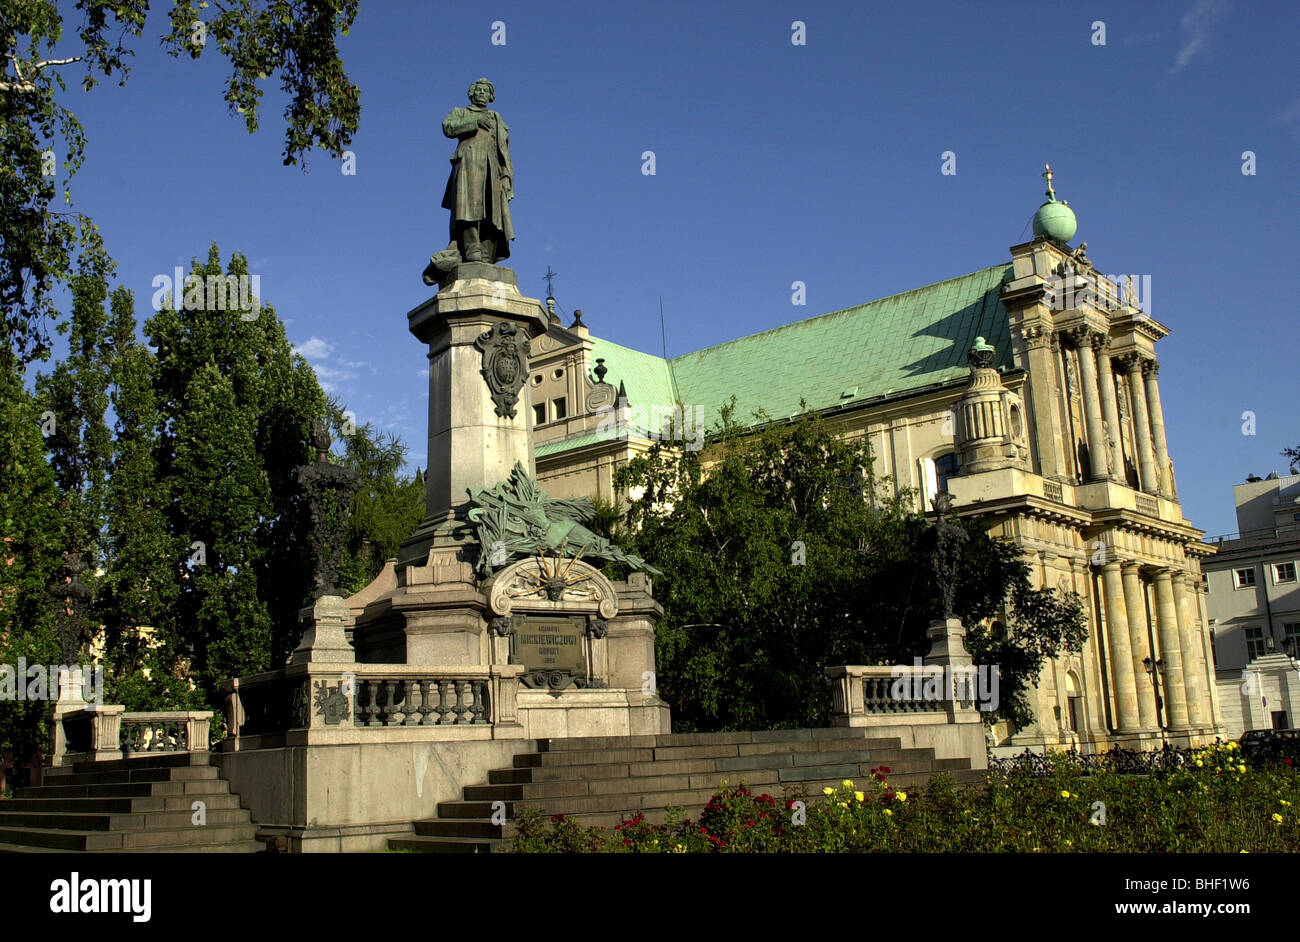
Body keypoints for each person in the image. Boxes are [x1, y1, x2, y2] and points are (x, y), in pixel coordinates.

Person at [441, 78, 514, 264]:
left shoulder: (497, 119)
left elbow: (504, 151)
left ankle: (487, 253)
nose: (482, 93)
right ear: (472, 93)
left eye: (486, 91)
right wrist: (474, 121)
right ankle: (471, 248)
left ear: (491, 97)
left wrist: (506, 175)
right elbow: (448, 128)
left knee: (492, 212)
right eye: (478, 90)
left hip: (492, 168)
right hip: (468, 163)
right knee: (468, 208)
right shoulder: (461, 112)